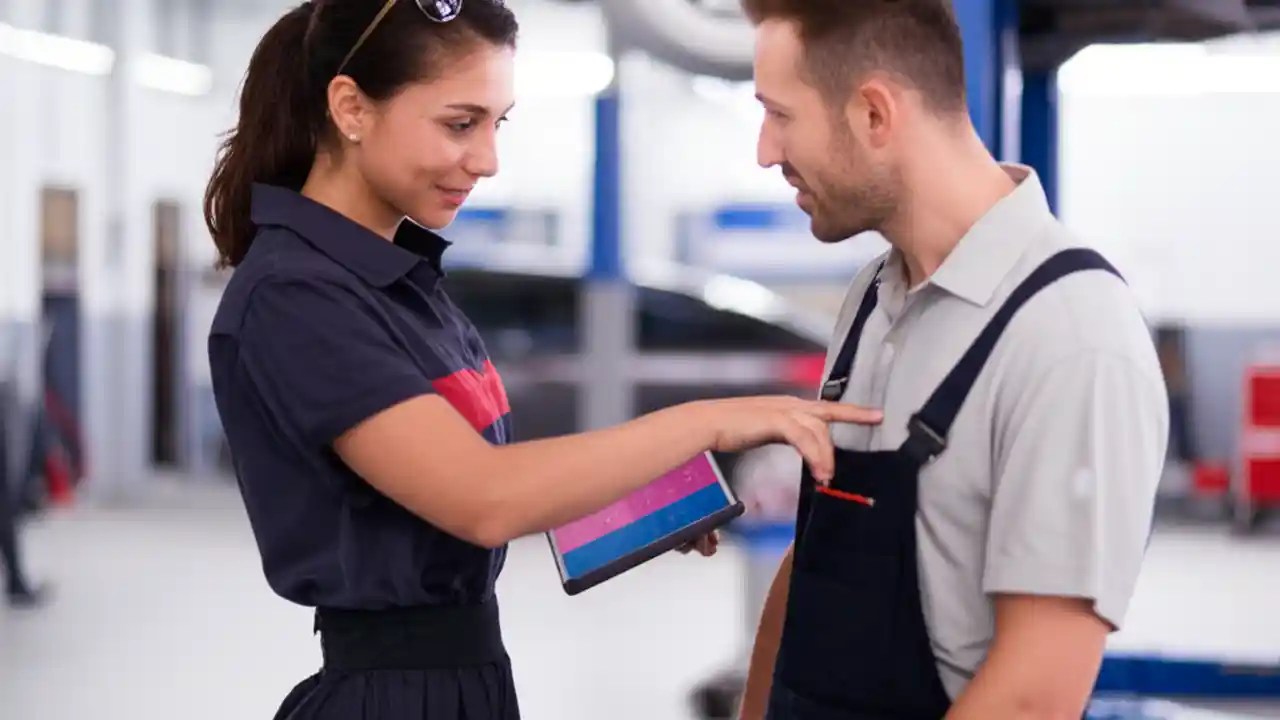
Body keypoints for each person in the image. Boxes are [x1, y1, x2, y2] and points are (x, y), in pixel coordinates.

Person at [202, 1, 883, 718]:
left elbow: (435, 506)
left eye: (498, 125)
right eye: (459, 124)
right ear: (351, 107)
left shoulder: (402, 285)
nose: (487, 160)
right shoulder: (297, 296)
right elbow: (483, 498)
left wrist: (637, 498)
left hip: (463, 680)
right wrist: (710, 423)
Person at [735, 2, 1170, 718]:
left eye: (779, 115)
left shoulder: (1070, 333)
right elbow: (817, 559)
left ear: (874, 115)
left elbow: (1033, 695)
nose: (764, 150)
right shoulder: (874, 297)